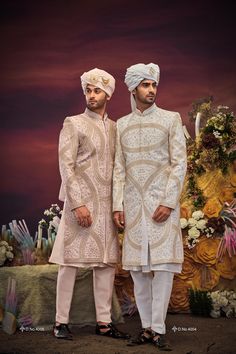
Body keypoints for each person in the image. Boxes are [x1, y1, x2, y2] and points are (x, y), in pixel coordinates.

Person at [49, 68, 129, 341]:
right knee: (69, 263)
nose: (91, 95)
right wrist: (76, 204)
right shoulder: (74, 123)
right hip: (80, 204)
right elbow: (66, 165)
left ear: (108, 94)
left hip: (106, 207)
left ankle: (104, 323)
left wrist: (118, 205)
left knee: (105, 264)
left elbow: (120, 170)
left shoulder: (117, 128)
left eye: (97, 91)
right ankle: (60, 323)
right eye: (88, 90)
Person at [112, 63, 187, 350]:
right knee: (139, 272)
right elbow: (119, 168)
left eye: (153, 84)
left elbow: (179, 164)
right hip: (133, 207)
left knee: (163, 269)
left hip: (160, 206)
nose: (151, 90)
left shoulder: (170, 119)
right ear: (133, 89)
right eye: (145, 85)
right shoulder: (122, 125)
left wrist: (169, 202)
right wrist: (118, 205)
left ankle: (158, 329)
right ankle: (145, 329)